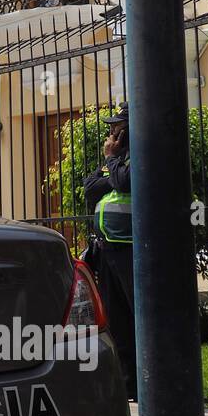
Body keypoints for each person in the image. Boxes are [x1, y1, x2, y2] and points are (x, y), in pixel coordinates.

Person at [84, 103, 136, 400]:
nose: (111, 131)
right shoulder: (117, 158)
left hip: (131, 249)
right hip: (108, 251)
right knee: (116, 319)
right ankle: (128, 385)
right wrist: (112, 168)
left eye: (116, 126)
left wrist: (112, 164)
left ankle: (144, 382)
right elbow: (91, 186)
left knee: (134, 314)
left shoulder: (134, 154)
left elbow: (124, 181)